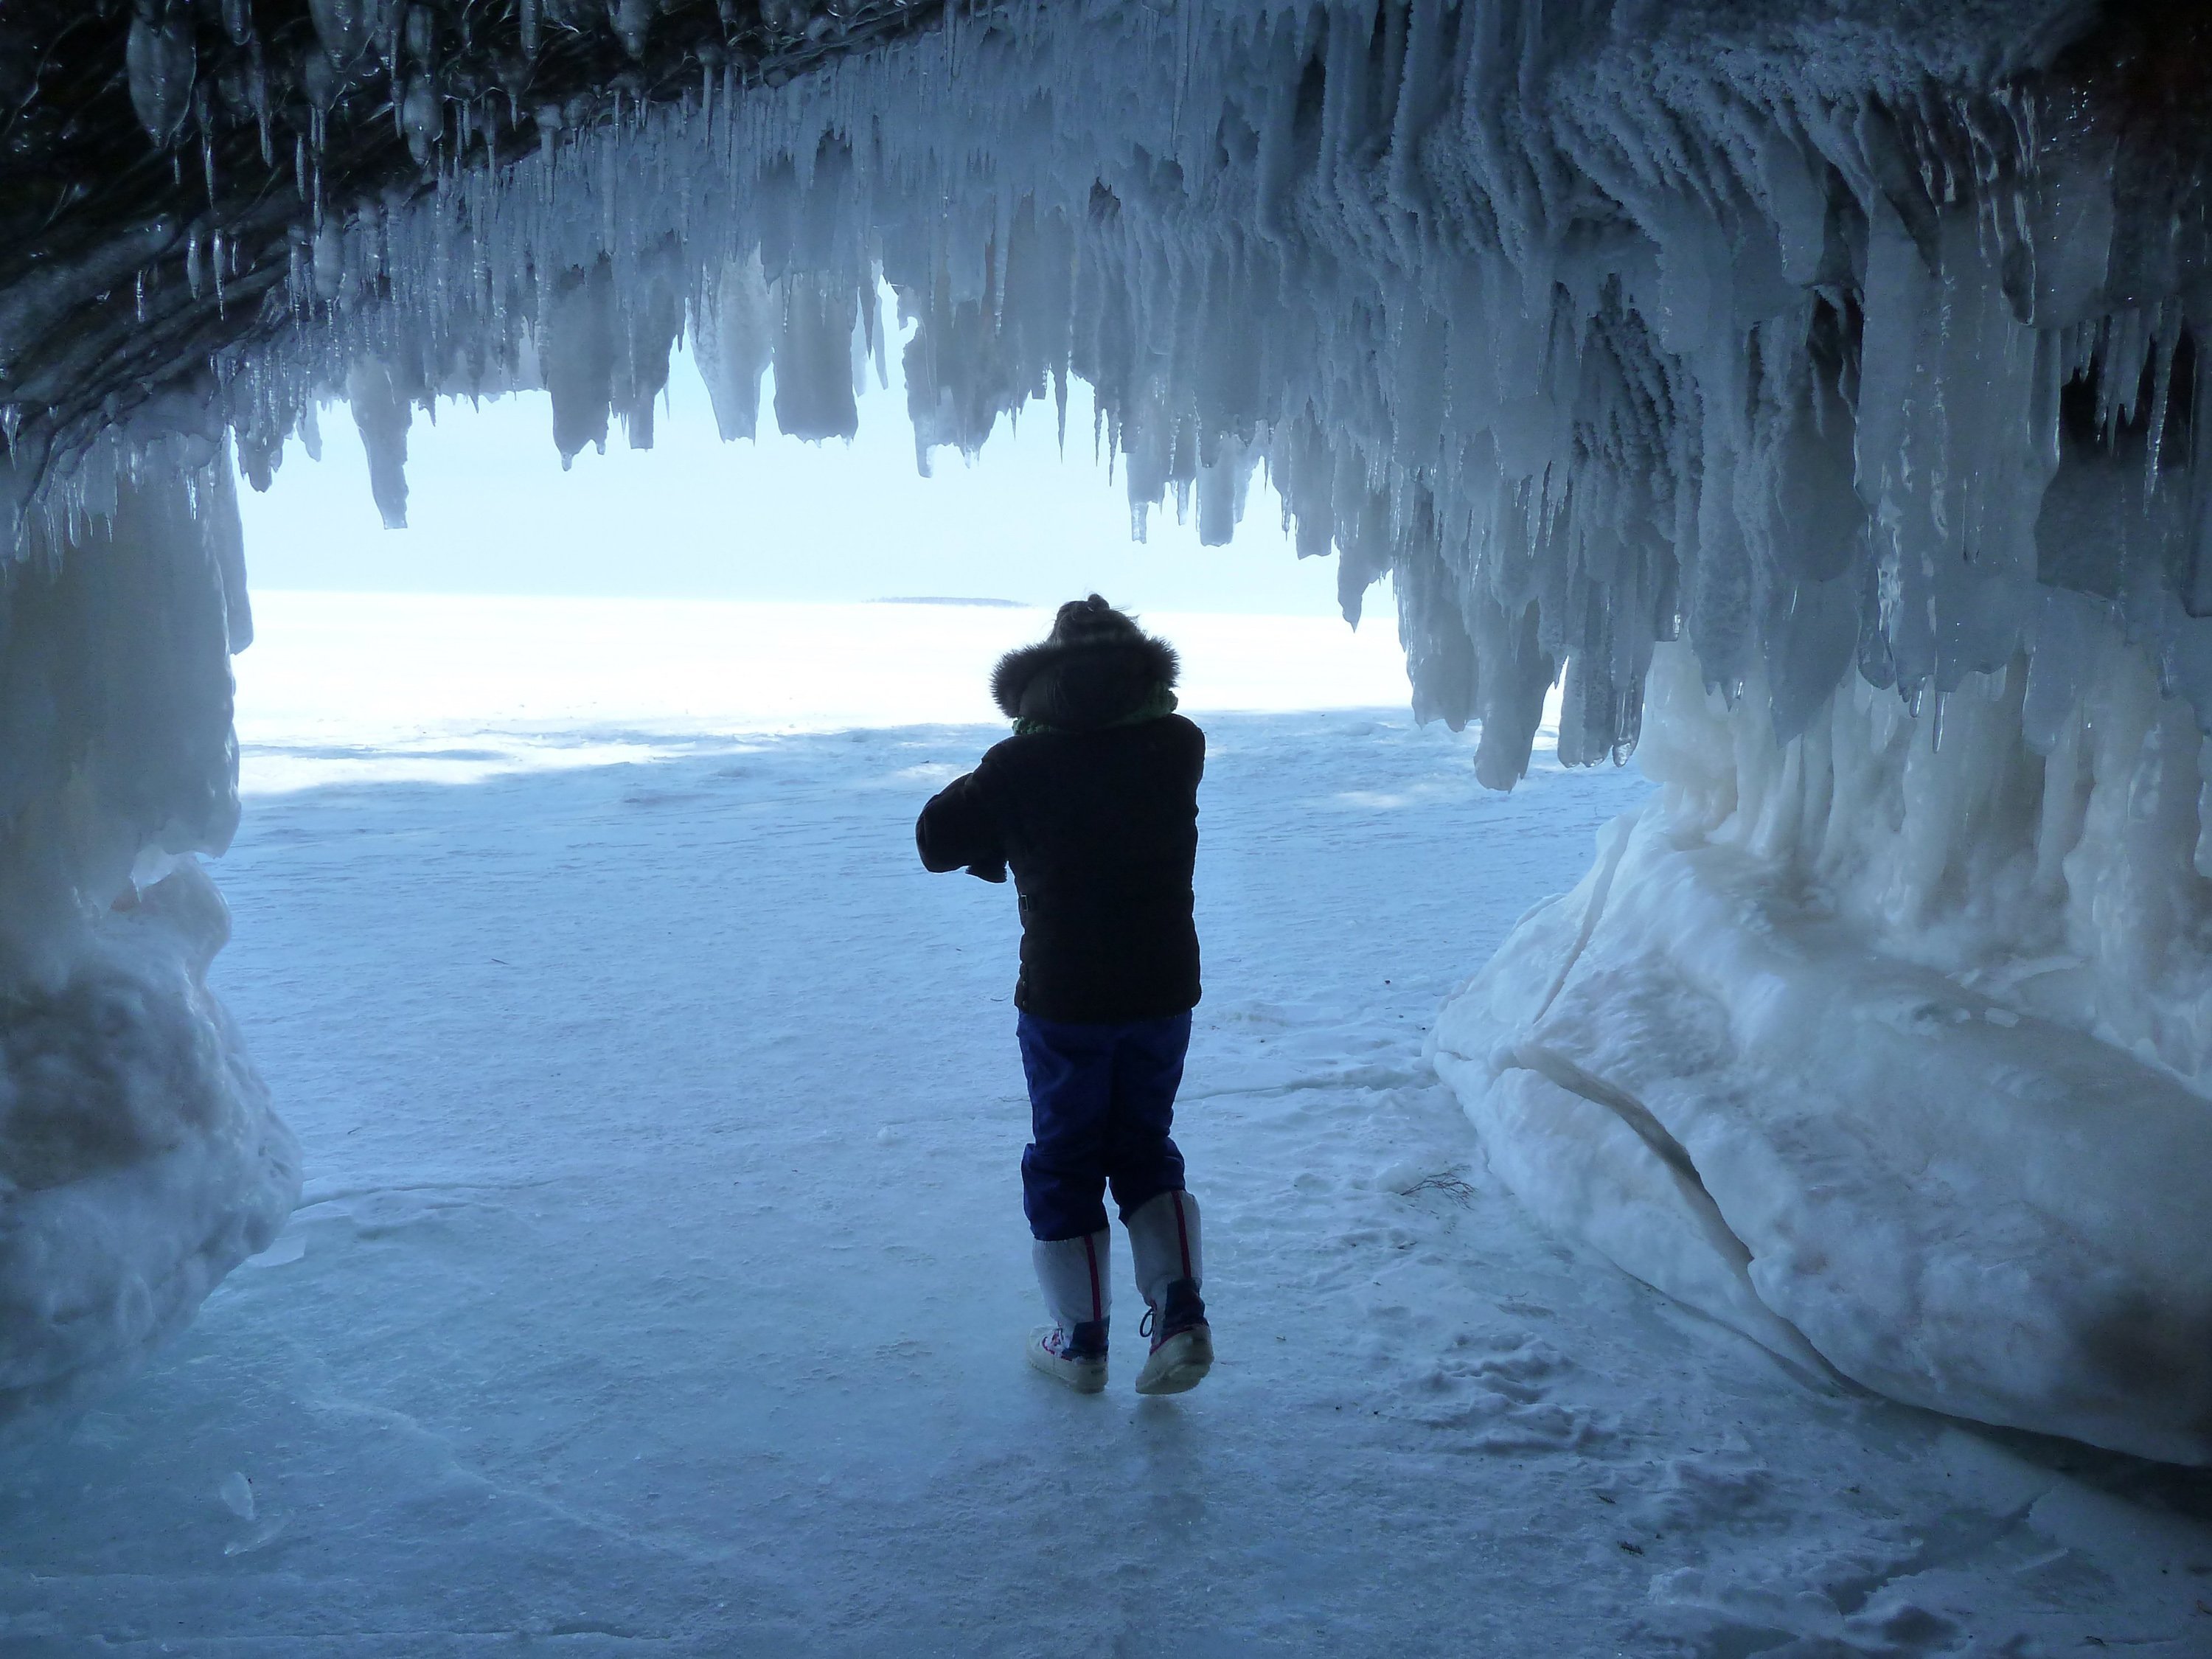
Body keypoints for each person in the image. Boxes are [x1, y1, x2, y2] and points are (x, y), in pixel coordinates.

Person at [915, 596, 1213, 1396]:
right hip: (1163, 990)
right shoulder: (1179, 745)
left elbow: (936, 842)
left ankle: (1081, 1344)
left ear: (1039, 682)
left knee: (1065, 1158)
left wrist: (1003, 776)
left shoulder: (1020, 766)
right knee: (1144, 1145)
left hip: (1064, 1000)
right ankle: (1181, 1318)